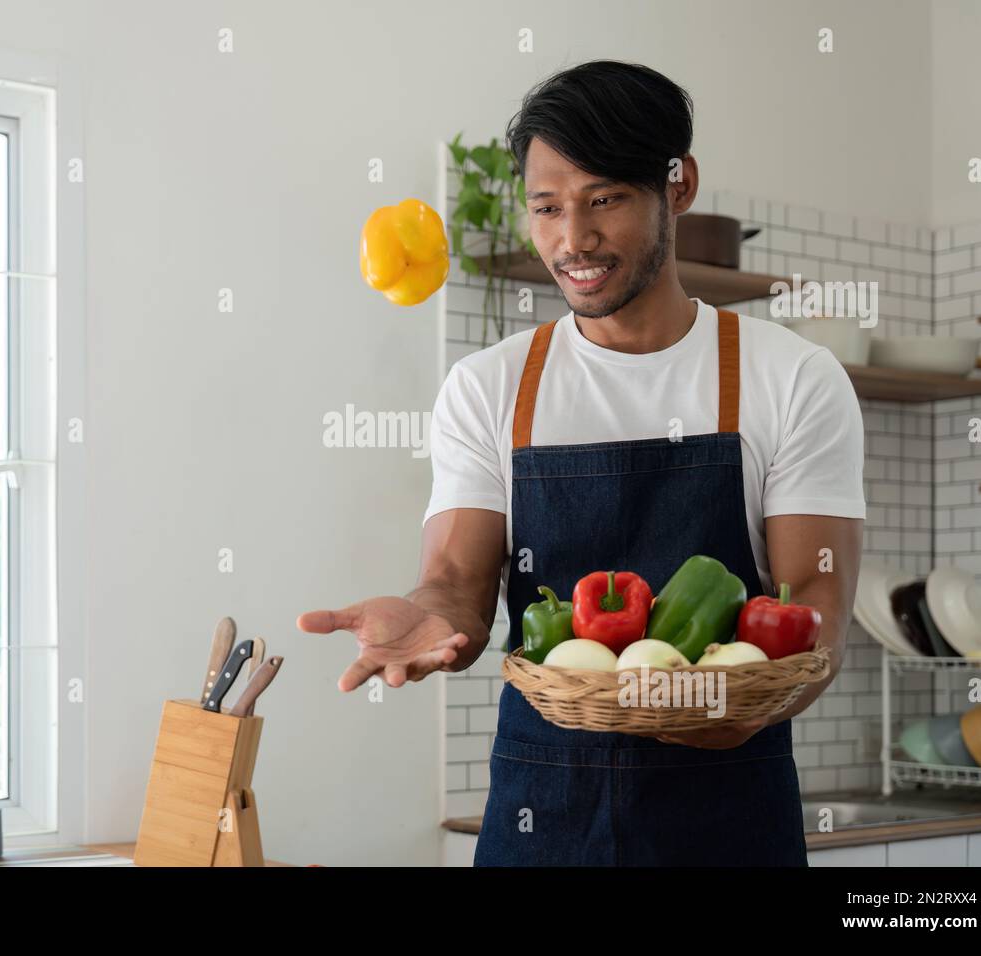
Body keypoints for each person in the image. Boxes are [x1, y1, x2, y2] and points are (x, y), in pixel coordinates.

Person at [298, 60, 864, 866]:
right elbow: (459, 578)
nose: (574, 240)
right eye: (547, 207)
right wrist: (432, 616)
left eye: (604, 200)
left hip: (728, 808)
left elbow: (816, 603)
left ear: (677, 185)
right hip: (543, 813)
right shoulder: (490, 387)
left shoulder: (791, 378)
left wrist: (764, 701)